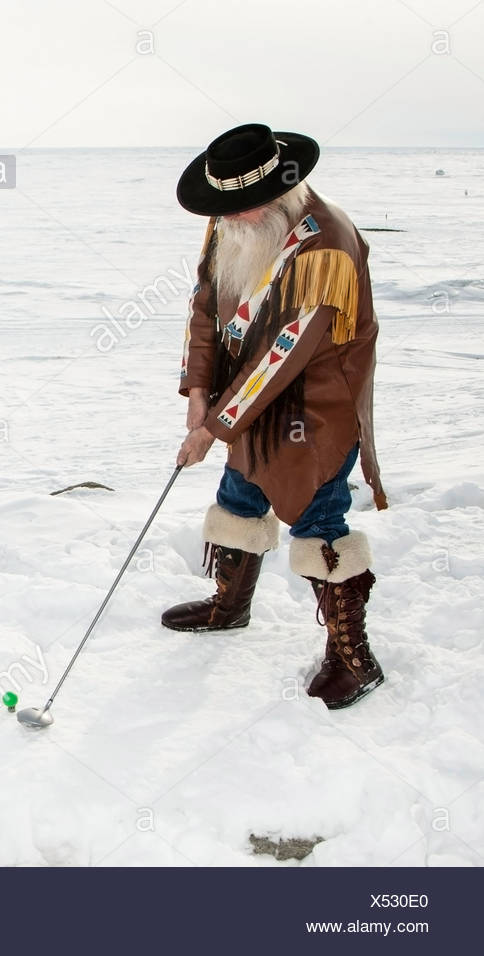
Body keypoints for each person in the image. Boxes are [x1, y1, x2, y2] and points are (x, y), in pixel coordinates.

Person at [165, 123, 388, 710]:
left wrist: (214, 427)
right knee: (240, 494)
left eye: (245, 209)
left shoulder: (327, 244)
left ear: (284, 187)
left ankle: (353, 656)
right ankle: (229, 605)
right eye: (227, 211)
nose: (233, 221)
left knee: (319, 516)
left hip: (315, 405)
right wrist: (197, 393)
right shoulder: (233, 222)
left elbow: (284, 351)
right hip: (249, 402)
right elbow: (206, 308)